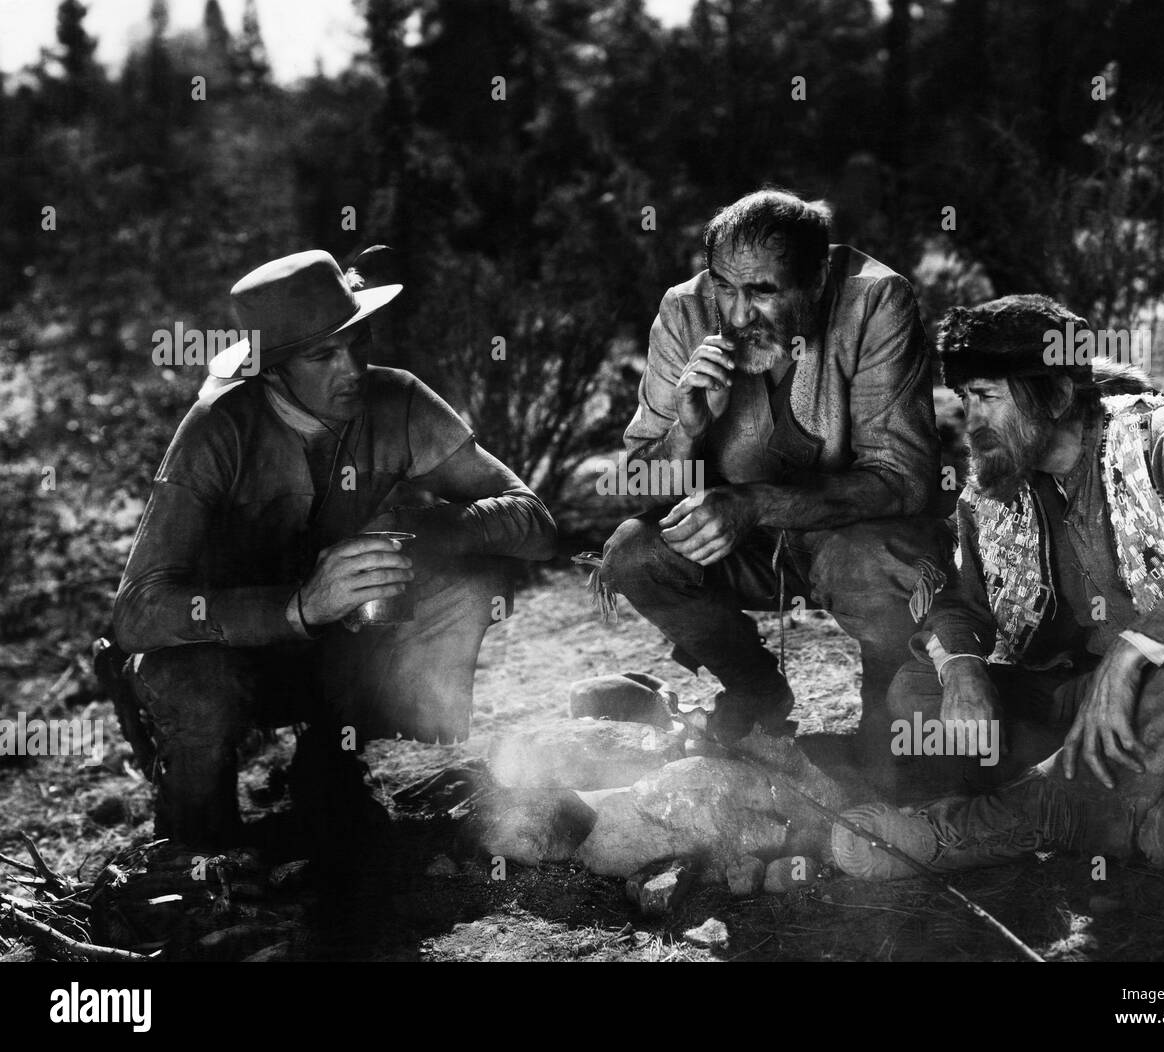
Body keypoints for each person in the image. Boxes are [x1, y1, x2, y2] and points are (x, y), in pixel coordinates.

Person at [839, 294, 1164, 879]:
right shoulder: (993, 486)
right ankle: (1138, 808)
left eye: (986, 399)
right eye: (964, 399)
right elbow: (960, 603)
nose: (970, 423)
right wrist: (961, 666)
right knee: (917, 694)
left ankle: (996, 825)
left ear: (1056, 396)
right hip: (1086, 703)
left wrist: (1133, 651)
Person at [113, 248, 556, 851]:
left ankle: (330, 766)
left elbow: (533, 520)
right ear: (272, 370)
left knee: (471, 583)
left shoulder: (397, 399)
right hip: (223, 656)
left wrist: (425, 533)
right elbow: (137, 611)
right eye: (322, 355)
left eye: (356, 341)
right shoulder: (218, 428)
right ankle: (195, 839)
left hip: (338, 651)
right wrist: (296, 607)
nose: (350, 368)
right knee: (199, 698)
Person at [599, 189, 948, 742]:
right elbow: (636, 489)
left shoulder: (876, 300)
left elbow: (903, 479)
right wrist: (686, 430)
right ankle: (754, 690)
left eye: (763, 291)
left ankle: (887, 722)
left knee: (880, 560)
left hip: (847, 536)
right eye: (725, 287)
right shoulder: (684, 311)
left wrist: (756, 503)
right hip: (743, 546)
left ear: (817, 280)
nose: (738, 315)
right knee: (635, 554)